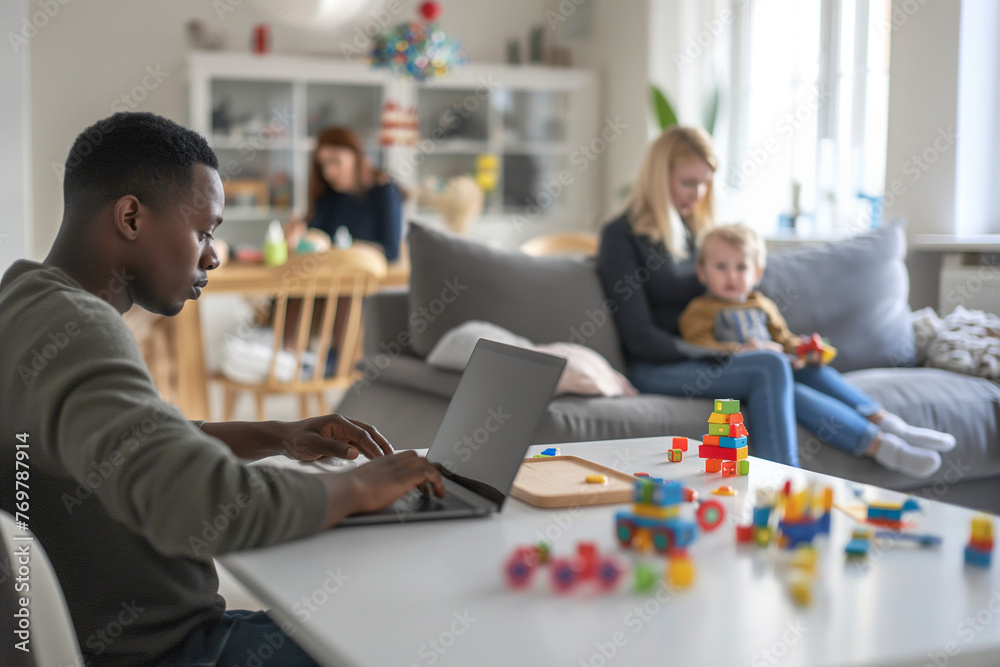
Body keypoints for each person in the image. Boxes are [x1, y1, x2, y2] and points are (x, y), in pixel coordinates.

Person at [0, 112, 443, 666]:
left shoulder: (22, 302)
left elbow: (121, 446)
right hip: (178, 651)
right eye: (204, 231)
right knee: (409, 640)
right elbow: (199, 500)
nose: (212, 255)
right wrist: (361, 488)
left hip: (143, 638)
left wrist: (277, 433)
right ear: (132, 217)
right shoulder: (77, 328)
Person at [596, 126, 953, 472]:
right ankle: (785, 482)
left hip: (716, 360)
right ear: (659, 178)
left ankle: (886, 428)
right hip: (659, 367)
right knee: (769, 365)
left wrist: (784, 348)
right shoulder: (620, 236)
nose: (699, 193)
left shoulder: (696, 232)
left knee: (791, 362)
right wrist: (729, 353)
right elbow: (639, 337)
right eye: (689, 182)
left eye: (705, 182)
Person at [677, 223, 954, 477]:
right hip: (745, 376)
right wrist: (738, 349)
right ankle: (883, 446)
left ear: (757, 273)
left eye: (741, 267)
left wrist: (804, 349)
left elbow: (783, 339)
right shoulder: (700, 310)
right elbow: (699, 346)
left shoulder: (761, 305)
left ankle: (889, 422)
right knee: (796, 394)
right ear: (702, 271)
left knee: (817, 372)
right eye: (721, 267)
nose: (731, 275)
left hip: (782, 367)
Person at [285, 126, 403, 262]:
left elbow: (391, 251)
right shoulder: (328, 196)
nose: (328, 172)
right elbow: (314, 240)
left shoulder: (384, 193)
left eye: (335, 161)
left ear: (356, 156)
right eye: (323, 164)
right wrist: (298, 236)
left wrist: (342, 248)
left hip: (369, 279)